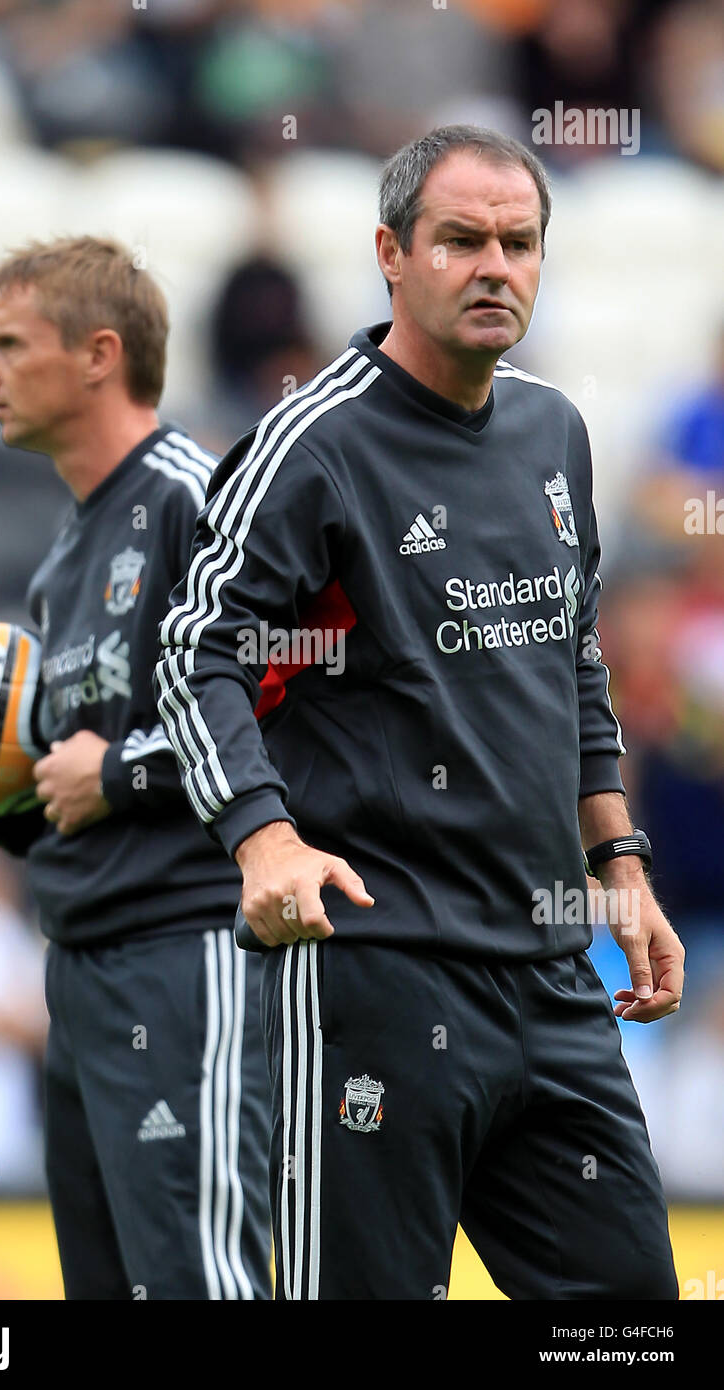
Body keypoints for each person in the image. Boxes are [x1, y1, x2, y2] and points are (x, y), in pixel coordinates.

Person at [154, 127, 684, 1301]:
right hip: (375, 975)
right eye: (460, 241)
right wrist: (263, 833)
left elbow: (573, 659)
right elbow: (196, 653)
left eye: (517, 242)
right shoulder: (314, 444)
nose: (493, 266)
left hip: (550, 974)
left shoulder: (554, 432)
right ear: (390, 254)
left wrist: (617, 859)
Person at [0, 236, 271, 1300]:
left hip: (192, 958)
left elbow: (295, 718)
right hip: (83, 973)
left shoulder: (205, 500)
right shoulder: (58, 564)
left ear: (99, 355)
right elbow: (73, 793)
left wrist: (125, 772)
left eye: (6, 344)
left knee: (203, 1281)